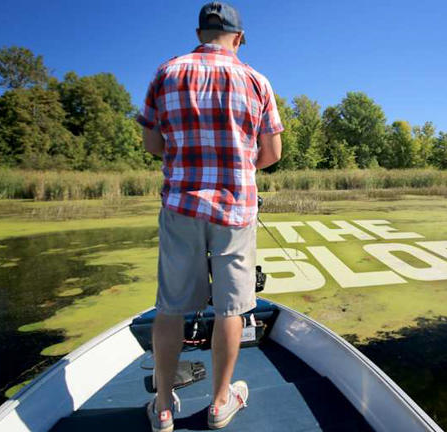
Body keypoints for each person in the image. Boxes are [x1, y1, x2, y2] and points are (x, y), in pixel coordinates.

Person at [136, 2, 283, 431]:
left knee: (169, 308)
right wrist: (236, 160)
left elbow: (151, 142)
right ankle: (221, 402)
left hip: (181, 204)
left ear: (200, 33)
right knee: (231, 309)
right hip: (235, 208)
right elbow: (272, 153)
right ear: (238, 38)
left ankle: (163, 408)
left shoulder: (166, 73)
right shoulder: (256, 81)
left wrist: (187, 158)